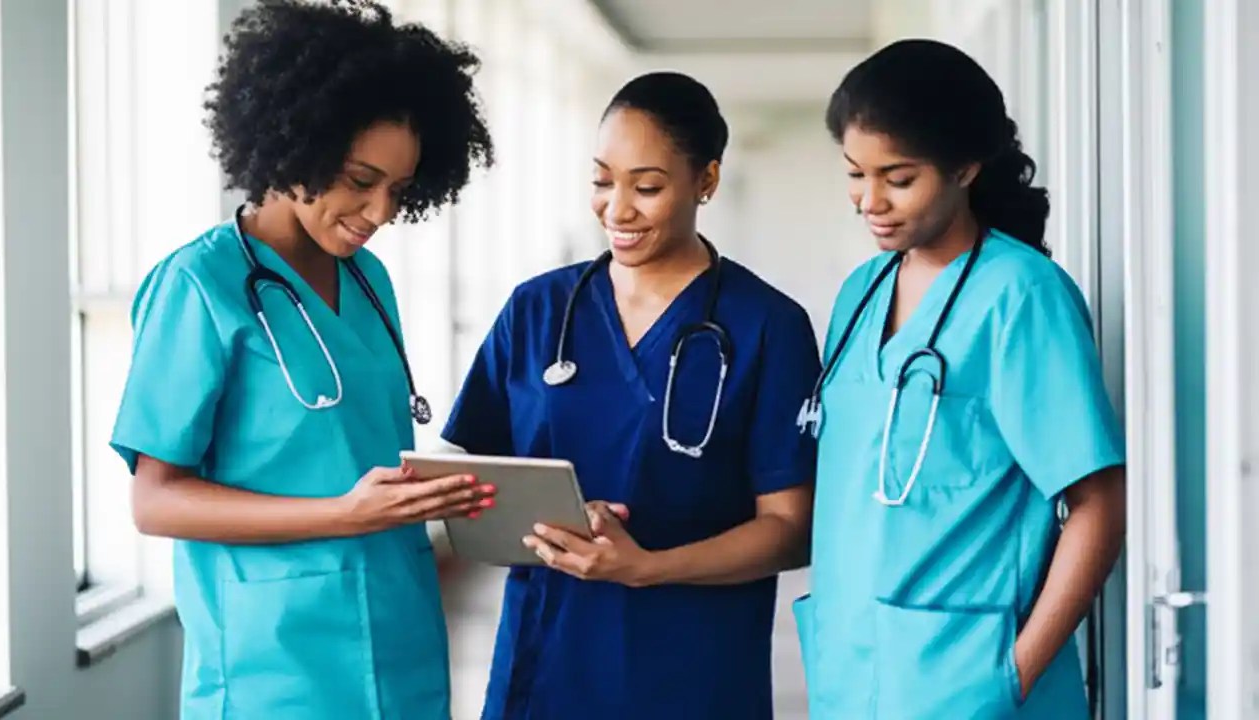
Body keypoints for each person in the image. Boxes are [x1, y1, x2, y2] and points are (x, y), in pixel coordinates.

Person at [108, 2, 495, 718]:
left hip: (400, 635)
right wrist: (340, 514)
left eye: (399, 190)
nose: (379, 212)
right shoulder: (200, 286)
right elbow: (154, 499)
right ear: (293, 146)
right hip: (273, 668)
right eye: (358, 179)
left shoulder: (368, 283)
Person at [442, 71, 819, 720]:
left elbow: (791, 531)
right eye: (601, 181)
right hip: (547, 658)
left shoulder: (767, 326)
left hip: (696, 671)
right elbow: (476, 489)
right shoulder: (538, 310)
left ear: (706, 181)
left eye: (646, 187)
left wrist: (645, 566)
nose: (617, 209)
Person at [793, 39, 1127, 719]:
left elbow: (1098, 503)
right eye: (855, 174)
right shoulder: (861, 291)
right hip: (852, 675)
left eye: (899, 176)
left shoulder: (1021, 295)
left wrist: (1011, 678)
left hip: (973, 686)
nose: (870, 201)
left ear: (966, 168)